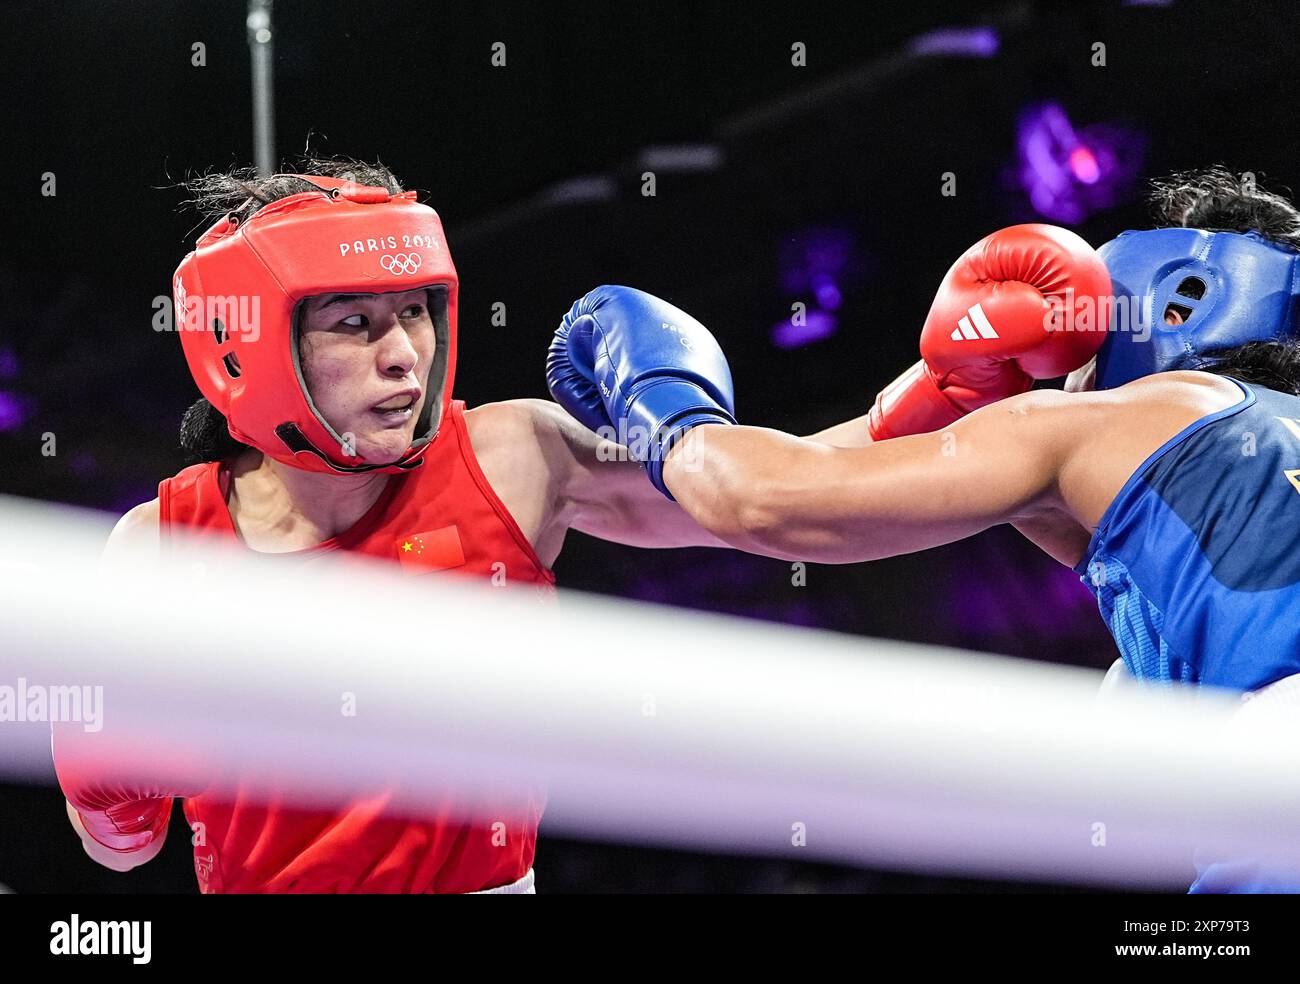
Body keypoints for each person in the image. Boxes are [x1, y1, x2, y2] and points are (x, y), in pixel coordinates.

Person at [548, 166, 1300, 892]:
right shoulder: (1214, 467)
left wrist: (660, 395)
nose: (1069, 366)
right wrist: (942, 398)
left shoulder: (1124, 420)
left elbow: (764, 500)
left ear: (1173, 305)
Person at [54, 159, 729, 894]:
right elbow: (120, 851)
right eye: (354, 323)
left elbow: (754, 504)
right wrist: (113, 779)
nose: (405, 355)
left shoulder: (511, 459)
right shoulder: (162, 546)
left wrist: (692, 417)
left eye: (414, 312)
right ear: (249, 349)